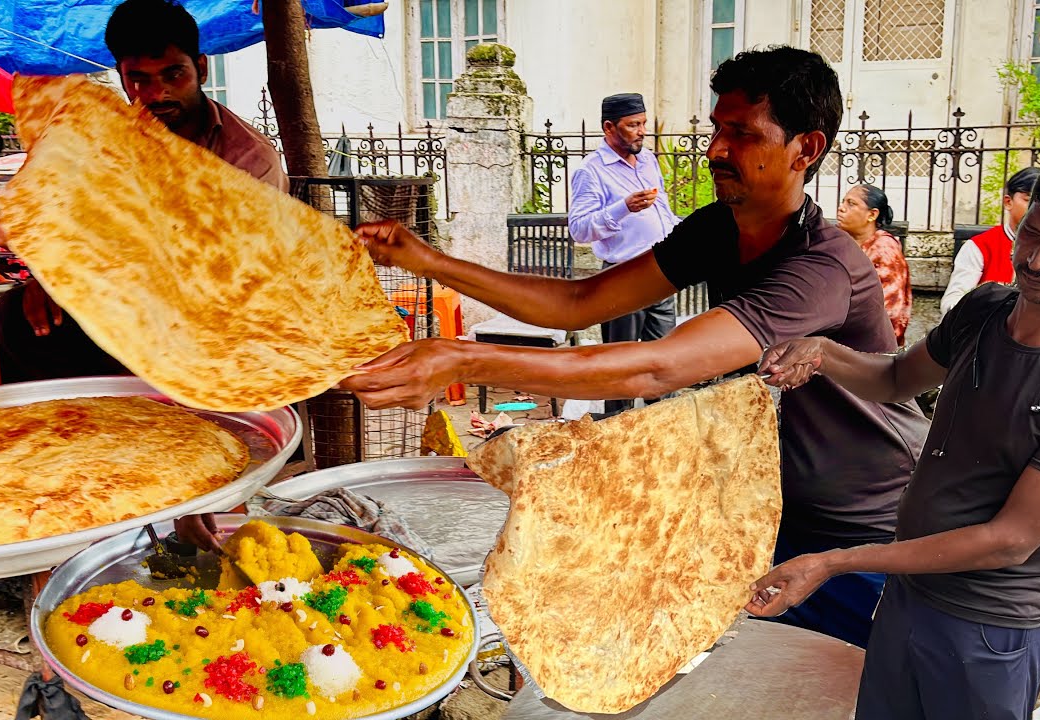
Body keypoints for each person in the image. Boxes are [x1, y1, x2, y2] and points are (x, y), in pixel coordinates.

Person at [341, 46, 929, 648]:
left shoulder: (821, 267)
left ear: (807, 148)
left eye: (742, 134)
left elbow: (657, 369)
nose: (716, 150)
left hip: (862, 528)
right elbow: (578, 303)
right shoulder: (717, 230)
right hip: (764, 506)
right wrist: (428, 260)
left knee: (851, 688)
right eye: (715, 129)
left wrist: (462, 358)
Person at [748, 150, 1040, 720]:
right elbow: (893, 379)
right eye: (1031, 234)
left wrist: (833, 562)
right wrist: (824, 352)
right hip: (911, 594)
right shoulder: (987, 310)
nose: (1037, 259)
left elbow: (1009, 539)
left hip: (991, 627)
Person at [0, 0, 287, 382]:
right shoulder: (101, 143)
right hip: (122, 304)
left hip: (216, 312)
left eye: (173, 74)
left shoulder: (248, 157)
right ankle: (100, 420)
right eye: (139, 79)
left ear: (200, 67)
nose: (157, 93)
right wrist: (49, 276)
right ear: (121, 75)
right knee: (18, 315)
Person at [569, 93, 679, 413]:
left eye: (643, 123)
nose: (642, 131)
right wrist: (622, 208)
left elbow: (664, 212)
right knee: (622, 362)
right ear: (609, 128)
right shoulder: (591, 171)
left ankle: (665, 424)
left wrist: (681, 232)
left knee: (665, 357)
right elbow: (579, 229)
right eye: (633, 125)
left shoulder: (648, 160)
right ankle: (618, 427)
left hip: (660, 270)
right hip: (622, 276)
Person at [941, 166, 1040, 314]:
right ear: (1008, 202)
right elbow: (952, 303)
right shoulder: (980, 247)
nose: (1037, 208)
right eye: (1029, 200)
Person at [836, 184, 911, 347]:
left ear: (872, 214)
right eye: (843, 202)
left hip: (872, 348)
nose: (841, 208)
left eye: (851, 203)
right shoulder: (840, 241)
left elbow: (890, 310)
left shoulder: (884, 249)